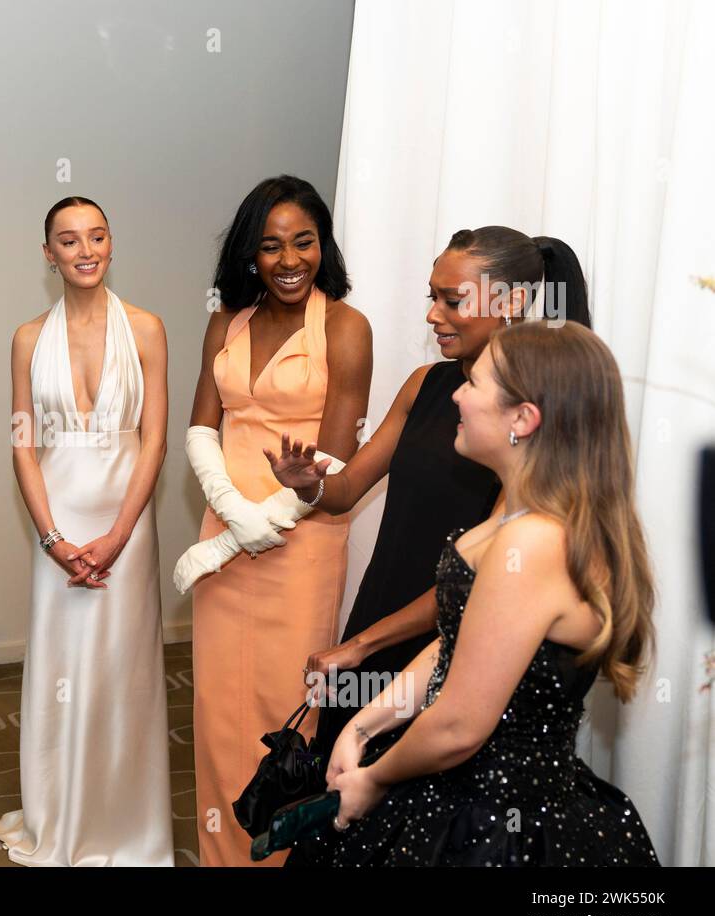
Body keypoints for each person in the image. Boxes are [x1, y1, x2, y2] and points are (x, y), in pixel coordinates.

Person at [289, 320, 659, 866]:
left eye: (476, 384)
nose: (457, 393)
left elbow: (460, 726)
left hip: (497, 818)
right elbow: (458, 640)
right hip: (455, 789)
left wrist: (374, 779)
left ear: (522, 419)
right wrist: (366, 725)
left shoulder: (535, 542)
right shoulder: (517, 513)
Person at [267, 226, 592, 765]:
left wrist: (362, 645)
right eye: (431, 297)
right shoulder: (425, 384)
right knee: (346, 783)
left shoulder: (531, 419)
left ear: (512, 302)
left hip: (456, 634)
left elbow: (481, 579)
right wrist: (312, 484)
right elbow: (346, 490)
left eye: (453, 299)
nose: (433, 314)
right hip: (384, 611)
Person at [184, 175, 372, 866]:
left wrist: (261, 522)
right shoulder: (224, 321)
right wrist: (231, 517)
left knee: (288, 713)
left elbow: (339, 454)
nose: (290, 260)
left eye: (304, 242)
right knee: (216, 712)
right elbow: (202, 428)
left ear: (323, 244)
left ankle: (283, 858)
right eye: (271, 247)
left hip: (302, 544)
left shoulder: (347, 328)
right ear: (248, 255)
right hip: (222, 542)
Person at [0, 197, 174, 866]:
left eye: (96, 236)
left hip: (127, 522)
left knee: (122, 669)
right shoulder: (27, 339)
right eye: (68, 240)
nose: (85, 249)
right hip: (58, 524)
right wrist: (51, 539)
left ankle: (126, 821)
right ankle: (59, 814)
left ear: (111, 243)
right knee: (63, 664)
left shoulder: (149, 329)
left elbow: (153, 440)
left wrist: (121, 534)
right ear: (49, 254)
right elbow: (22, 444)